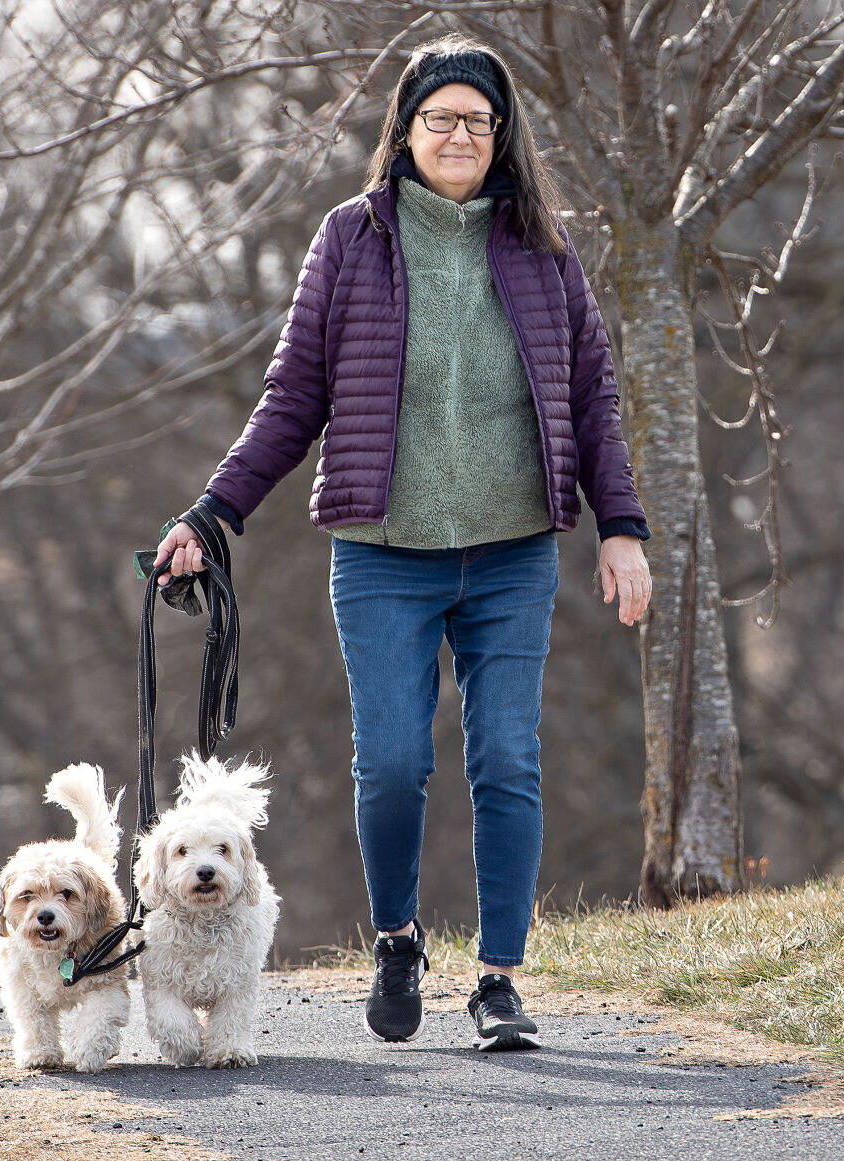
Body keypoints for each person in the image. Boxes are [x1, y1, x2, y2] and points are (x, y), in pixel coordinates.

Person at [152, 33, 651, 1052]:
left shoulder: (544, 246)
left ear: (501, 136)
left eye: (478, 120)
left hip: (514, 551)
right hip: (383, 552)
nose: (460, 135)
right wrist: (213, 512)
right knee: (388, 764)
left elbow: (595, 401)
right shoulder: (351, 238)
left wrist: (624, 529)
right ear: (408, 132)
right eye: (441, 119)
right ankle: (396, 939)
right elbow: (293, 398)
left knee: (507, 759)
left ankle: (500, 982)